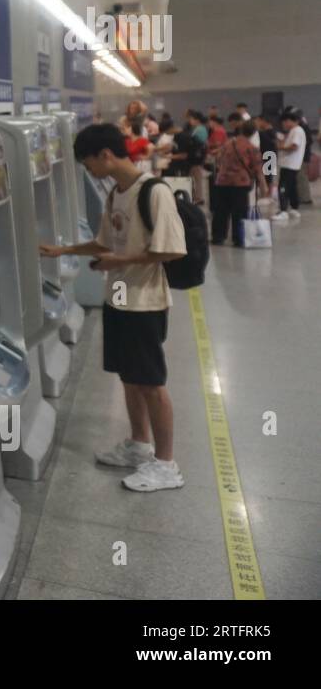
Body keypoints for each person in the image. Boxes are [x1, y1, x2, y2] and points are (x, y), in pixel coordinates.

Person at [40, 124, 187, 492]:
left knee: (151, 382)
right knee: (129, 376)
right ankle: (139, 444)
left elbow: (170, 250)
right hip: (119, 298)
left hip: (145, 303)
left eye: (89, 163)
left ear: (105, 154)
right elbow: (104, 243)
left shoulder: (153, 192)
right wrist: (65, 251)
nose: (89, 170)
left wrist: (119, 260)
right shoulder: (115, 194)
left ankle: (167, 465)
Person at [211, 119, 268, 246]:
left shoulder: (228, 144)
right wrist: (264, 187)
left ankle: (218, 237)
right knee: (239, 211)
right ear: (254, 132)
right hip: (240, 183)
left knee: (220, 210)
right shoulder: (252, 148)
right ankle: (238, 238)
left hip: (222, 181)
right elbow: (258, 169)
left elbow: (218, 158)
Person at [273, 110, 306, 222]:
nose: (284, 124)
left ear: (292, 121)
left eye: (285, 122)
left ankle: (283, 211)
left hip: (289, 164)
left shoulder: (296, 131)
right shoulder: (295, 131)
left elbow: (294, 146)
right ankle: (294, 208)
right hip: (292, 164)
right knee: (291, 187)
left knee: (283, 188)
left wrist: (280, 147)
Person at [187, 111, 209, 205]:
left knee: (197, 179)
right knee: (195, 178)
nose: (190, 121)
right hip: (197, 158)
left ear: (196, 120)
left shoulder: (200, 130)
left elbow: (200, 144)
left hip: (197, 159)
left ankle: (199, 198)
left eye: (191, 119)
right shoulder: (198, 129)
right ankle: (196, 196)